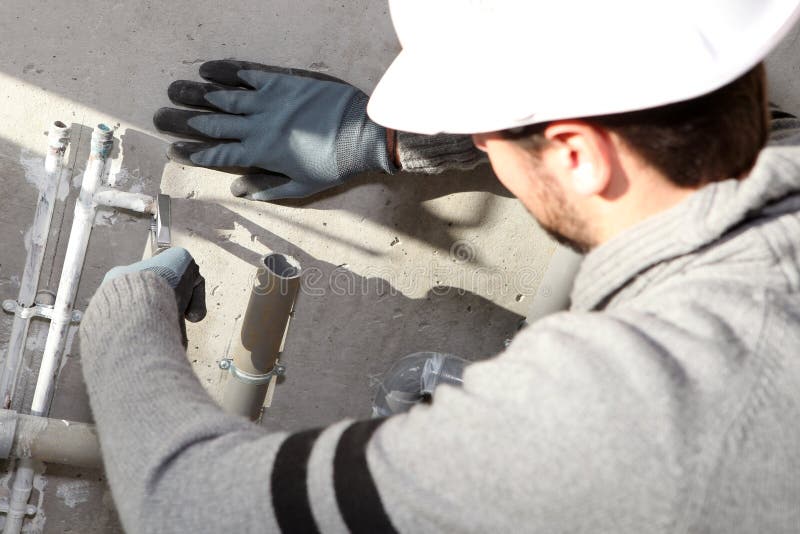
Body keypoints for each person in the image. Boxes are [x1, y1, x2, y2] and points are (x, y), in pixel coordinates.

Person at [79, 1, 800, 532]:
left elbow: (185, 506)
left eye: (484, 136)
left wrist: (127, 315)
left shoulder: (623, 410)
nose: (479, 145)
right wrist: (388, 142)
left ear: (578, 155)